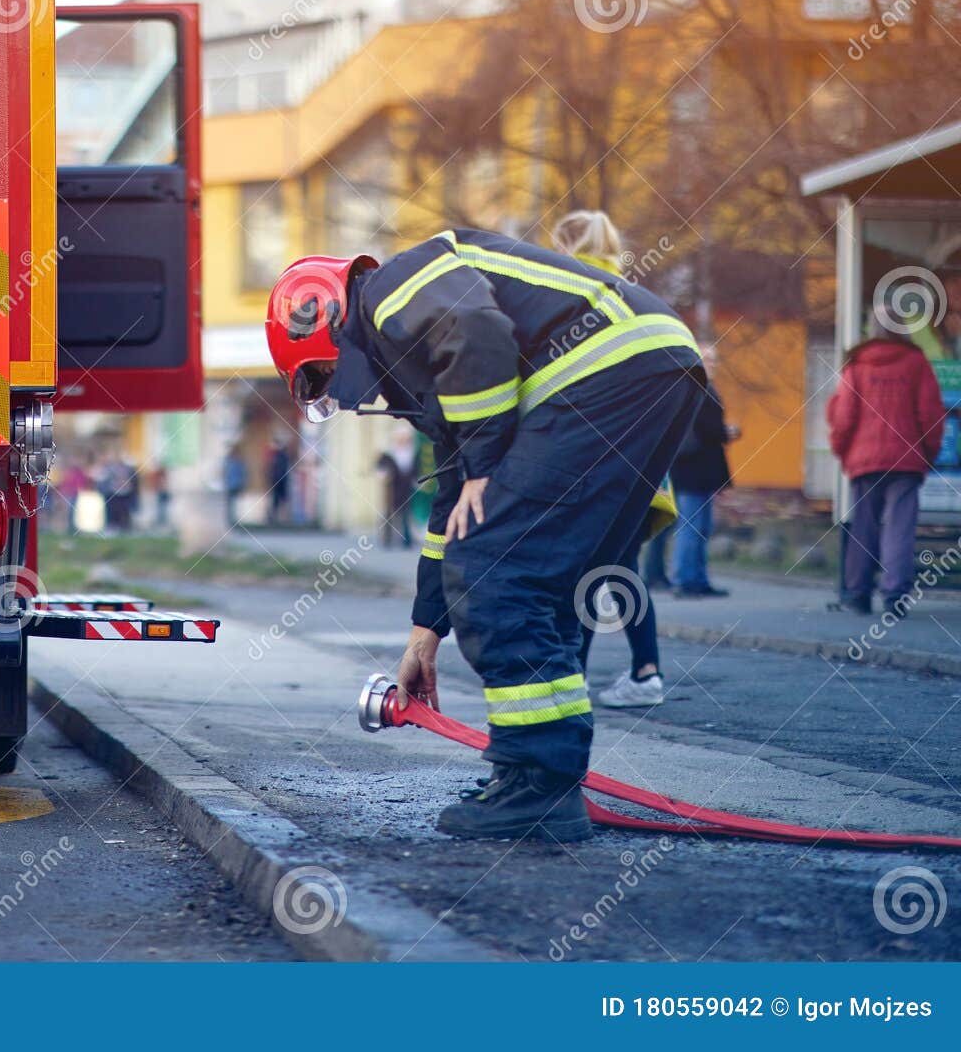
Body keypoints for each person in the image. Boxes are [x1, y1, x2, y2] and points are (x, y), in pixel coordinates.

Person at [265, 228, 704, 841]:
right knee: (547, 583)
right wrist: (425, 630)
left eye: (317, 377)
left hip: (606, 369)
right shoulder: (419, 356)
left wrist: (485, 459)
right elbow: (454, 506)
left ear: (322, 318)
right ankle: (544, 778)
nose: (333, 390)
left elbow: (475, 328)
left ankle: (537, 783)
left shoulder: (392, 290)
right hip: (649, 364)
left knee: (497, 571)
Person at [551, 211, 670, 707]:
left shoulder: (569, 296)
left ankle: (575, 678)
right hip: (643, 462)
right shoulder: (632, 295)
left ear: (565, 246)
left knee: (583, 570)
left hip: (592, 461)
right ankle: (645, 673)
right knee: (620, 568)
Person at [827, 304, 946, 615]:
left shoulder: (857, 365)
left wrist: (843, 451)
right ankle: (895, 595)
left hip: (864, 461)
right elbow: (930, 415)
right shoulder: (916, 362)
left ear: (872, 327)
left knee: (863, 527)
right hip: (906, 461)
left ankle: (858, 594)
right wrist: (928, 453)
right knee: (899, 527)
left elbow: (843, 417)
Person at [669, 351, 738, 598]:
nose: (712, 364)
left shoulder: (699, 388)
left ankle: (697, 579)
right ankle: (684, 580)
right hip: (691, 470)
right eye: (707, 359)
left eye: (714, 360)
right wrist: (725, 432)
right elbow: (705, 428)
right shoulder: (694, 390)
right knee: (691, 526)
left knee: (701, 527)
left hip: (698, 470)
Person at [266, 440, 293, 524]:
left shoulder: (279, 456)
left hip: (278, 481)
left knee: (278, 500)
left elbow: (277, 469)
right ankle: (279, 517)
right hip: (279, 481)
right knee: (279, 500)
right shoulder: (281, 456)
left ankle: (279, 517)